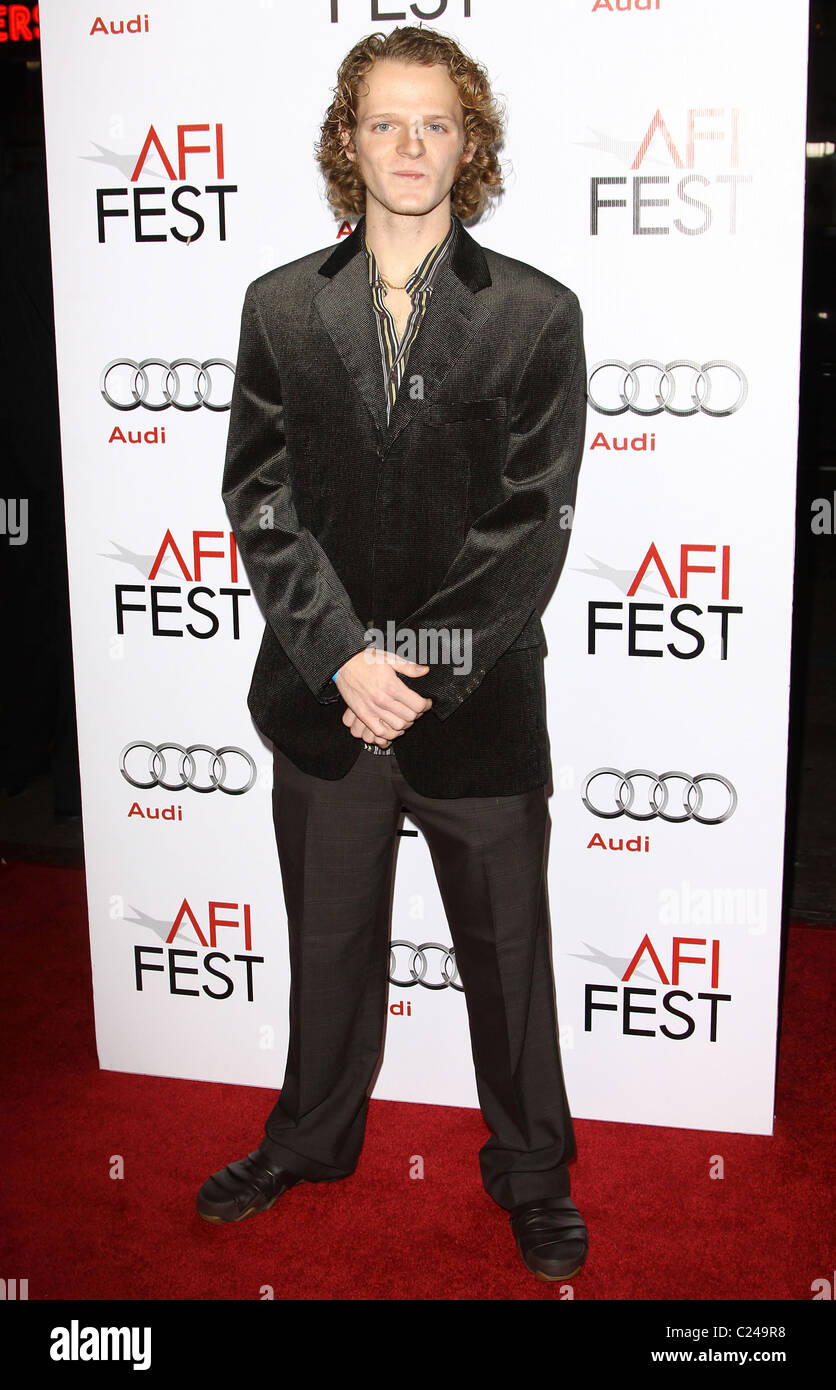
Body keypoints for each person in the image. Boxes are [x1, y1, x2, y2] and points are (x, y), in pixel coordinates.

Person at [199, 24, 589, 1283]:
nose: (408, 145)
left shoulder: (534, 313)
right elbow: (261, 501)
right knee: (326, 950)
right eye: (384, 121)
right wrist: (341, 661)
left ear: (466, 142)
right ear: (346, 140)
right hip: (324, 703)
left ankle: (531, 1172)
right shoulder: (279, 306)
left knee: (510, 966)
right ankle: (308, 1140)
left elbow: (529, 521)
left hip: (470, 706)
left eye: (433, 123)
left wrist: (404, 666)